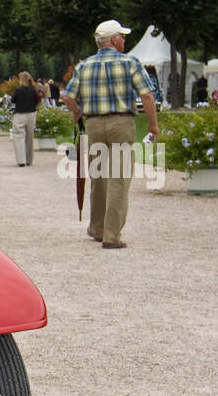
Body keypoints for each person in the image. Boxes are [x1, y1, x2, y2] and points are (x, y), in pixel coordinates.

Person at [60, 19, 160, 250]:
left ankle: (97, 227)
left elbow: (68, 96)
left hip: (94, 124)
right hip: (121, 122)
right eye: (122, 37)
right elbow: (146, 96)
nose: (124, 40)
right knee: (119, 179)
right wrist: (153, 125)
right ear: (114, 40)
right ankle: (112, 235)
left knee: (99, 177)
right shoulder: (130, 62)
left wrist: (78, 113)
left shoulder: (84, 65)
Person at [11, 72, 39, 166]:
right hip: (31, 113)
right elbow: (37, 100)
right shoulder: (33, 89)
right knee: (29, 137)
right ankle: (29, 160)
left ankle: (21, 160)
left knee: (19, 137)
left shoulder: (18, 90)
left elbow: (12, 100)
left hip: (20, 114)